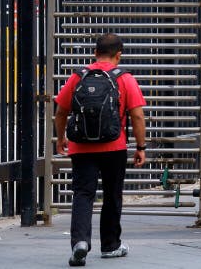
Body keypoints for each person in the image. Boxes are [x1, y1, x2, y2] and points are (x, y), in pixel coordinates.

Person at [54, 33, 147, 267]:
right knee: (112, 195)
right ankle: (111, 245)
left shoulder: (78, 77)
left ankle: (80, 243)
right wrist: (141, 147)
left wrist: (60, 137)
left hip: (81, 147)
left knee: (83, 194)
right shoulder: (124, 78)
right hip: (114, 146)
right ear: (119, 55)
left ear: (94, 53)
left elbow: (61, 111)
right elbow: (137, 115)